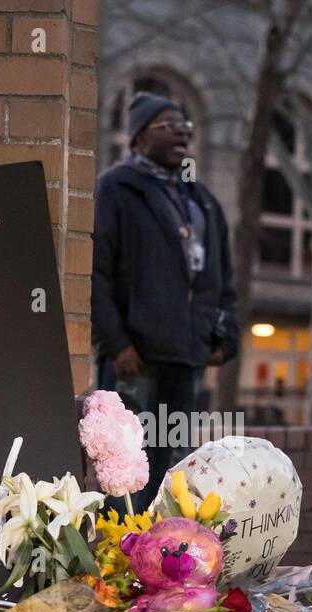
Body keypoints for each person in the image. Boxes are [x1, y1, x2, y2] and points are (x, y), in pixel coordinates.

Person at [91, 91, 239, 510]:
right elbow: (96, 270)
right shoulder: (116, 188)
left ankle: (166, 554)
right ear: (139, 135)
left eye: (186, 127)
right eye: (169, 125)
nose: (182, 133)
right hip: (135, 356)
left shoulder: (202, 200)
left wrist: (224, 338)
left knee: (174, 466)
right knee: (125, 462)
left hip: (186, 355)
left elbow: (222, 279)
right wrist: (116, 342)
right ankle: (119, 555)